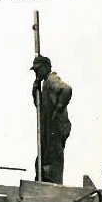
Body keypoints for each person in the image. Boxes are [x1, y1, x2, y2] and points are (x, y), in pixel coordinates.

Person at [31, 55, 72, 184]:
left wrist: (59, 108)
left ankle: (51, 184)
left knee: (53, 160)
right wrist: (35, 89)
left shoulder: (51, 78)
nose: (37, 73)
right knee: (43, 158)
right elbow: (39, 105)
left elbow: (66, 89)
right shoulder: (44, 83)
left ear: (46, 67)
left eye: (38, 69)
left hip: (55, 126)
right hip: (48, 127)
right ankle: (43, 180)